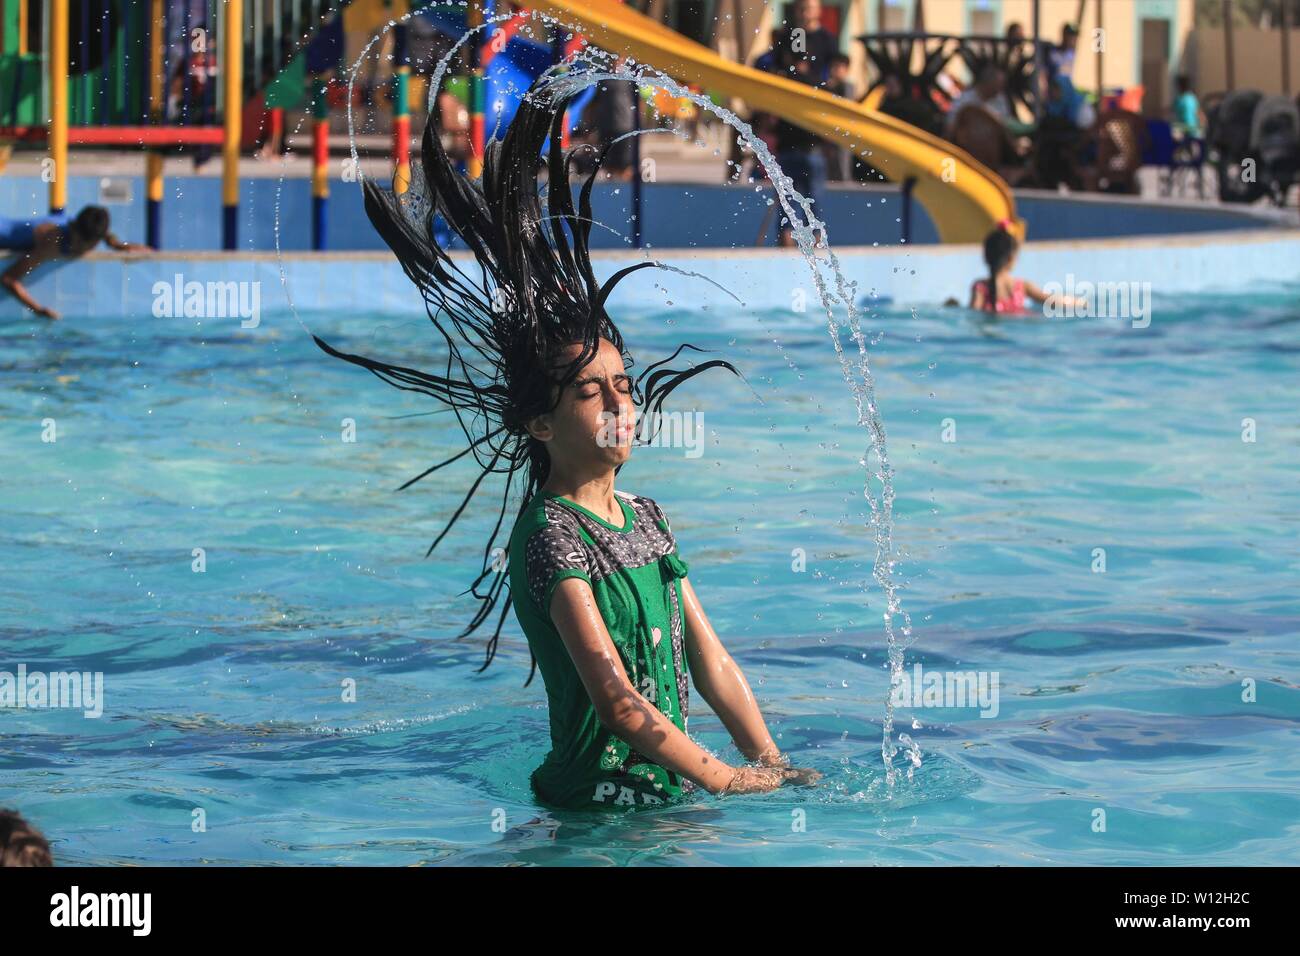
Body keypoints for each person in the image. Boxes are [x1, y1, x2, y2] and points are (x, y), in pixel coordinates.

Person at [314, 76, 822, 810]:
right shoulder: (551, 538)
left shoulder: (647, 517)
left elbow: (709, 660)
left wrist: (770, 761)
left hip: (668, 801)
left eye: (624, 386)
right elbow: (616, 702)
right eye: (591, 392)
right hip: (596, 816)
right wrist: (729, 781)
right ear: (540, 423)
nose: (620, 404)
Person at [765, 0, 838, 246]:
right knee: (788, 198)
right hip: (789, 137)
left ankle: (816, 242)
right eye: (802, 8)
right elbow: (780, 71)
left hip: (812, 136)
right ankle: (787, 241)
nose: (806, 12)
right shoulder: (790, 36)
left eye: (810, 7)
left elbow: (829, 77)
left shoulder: (826, 40)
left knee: (814, 198)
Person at [1, 205, 149, 319]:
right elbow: (8, 278)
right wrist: (38, 310)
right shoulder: (52, 241)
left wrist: (118, 245)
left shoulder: (81, 225)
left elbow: (106, 234)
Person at [969, 221, 1083, 315]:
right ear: (1011, 258)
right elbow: (1053, 301)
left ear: (986, 257)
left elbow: (974, 313)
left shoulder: (980, 287)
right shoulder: (1022, 286)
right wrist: (1079, 302)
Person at [945, 64, 1011, 136]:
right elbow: (950, 123)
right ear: (987, 83)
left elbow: (1005, 125)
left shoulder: (1000, 100)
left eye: (1001, 87)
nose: (998, 91)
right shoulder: (966, 98)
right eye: (996, 86)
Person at [1172, 74, 1204, 139]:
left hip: (1187, 129)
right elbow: (1199, 113)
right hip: (1192, 129)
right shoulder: (1192, 98)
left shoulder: (1180, 99)